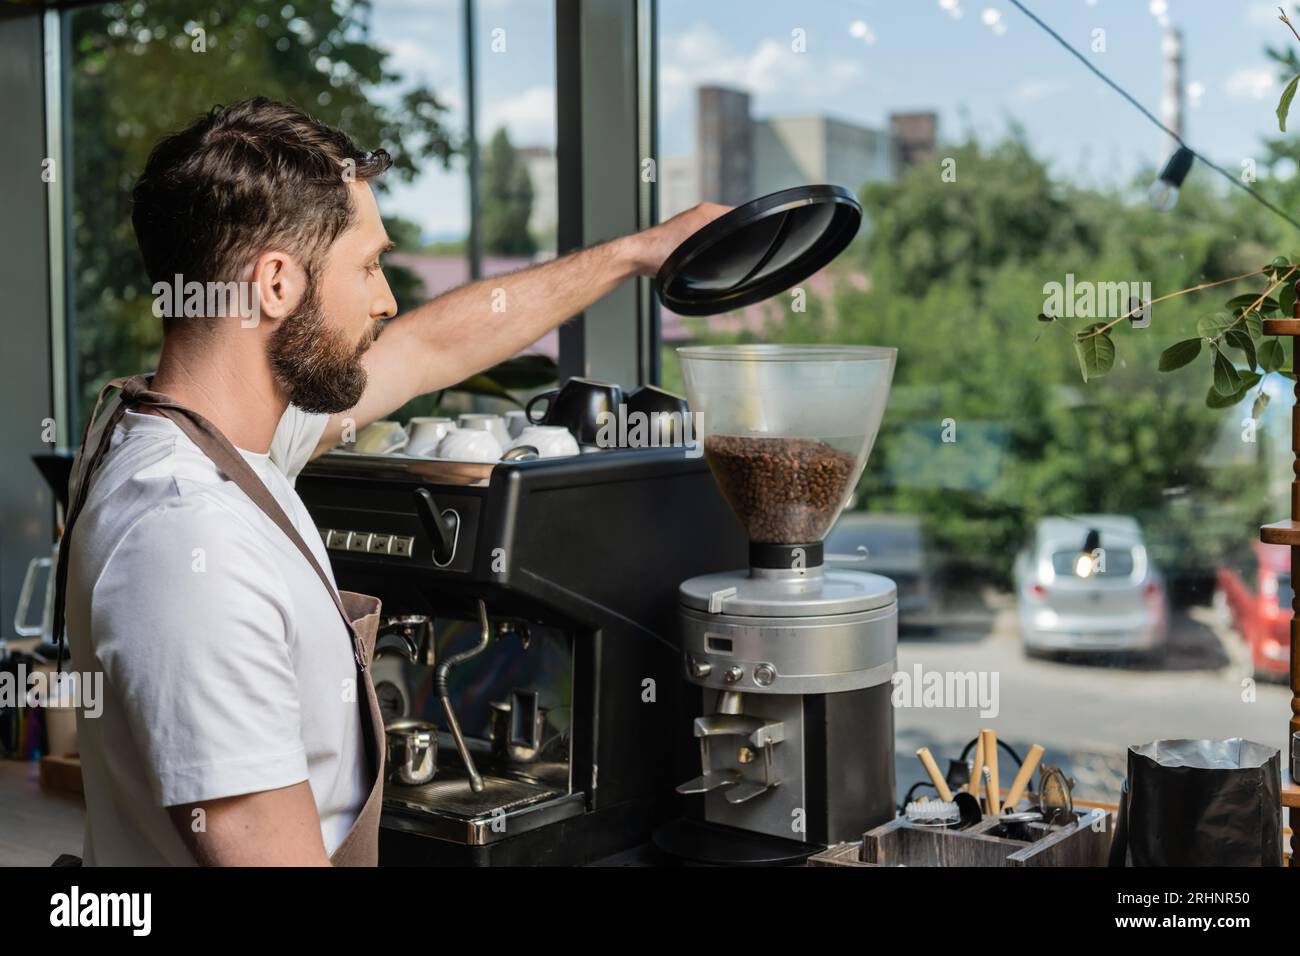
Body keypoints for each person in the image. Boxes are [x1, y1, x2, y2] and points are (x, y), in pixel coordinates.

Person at [62, 96, 726, 865]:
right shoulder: (187, 536)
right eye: (369, 265)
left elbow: (427, 349)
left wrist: (636, 254)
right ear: (275, 285)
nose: (386, 299)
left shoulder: (202, 436)